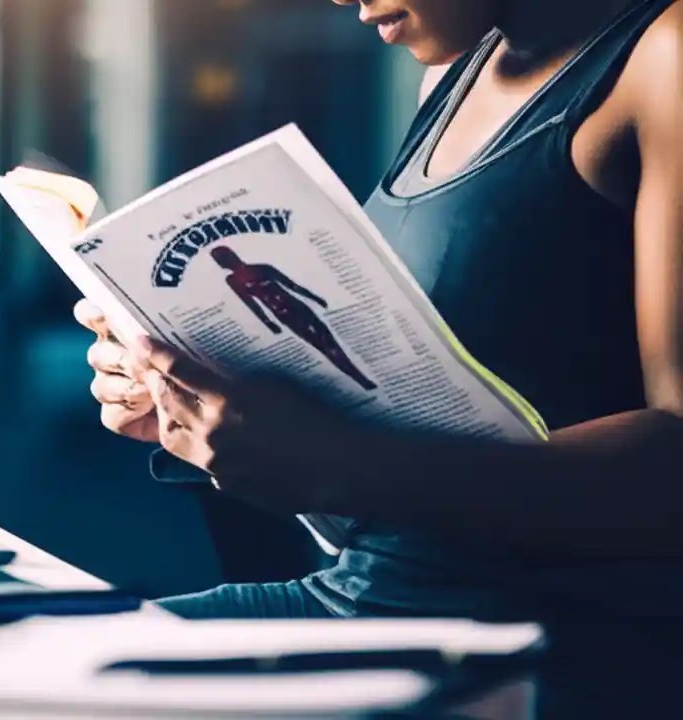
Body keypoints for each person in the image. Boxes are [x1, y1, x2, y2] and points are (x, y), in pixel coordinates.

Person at [78, 0, 683, 620]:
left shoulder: (666, 56)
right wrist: (195, 398)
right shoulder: (452, 76)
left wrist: (341, 463)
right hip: (368, 590)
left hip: (533, 627)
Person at [211, 246, 377, 391]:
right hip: (285, 314)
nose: (222, 263)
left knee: (328, 341)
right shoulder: (233, 280)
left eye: (222, 258)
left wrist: (314, 297)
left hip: (295, 307)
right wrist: (268, 323)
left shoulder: (262, 268)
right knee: (322, 345)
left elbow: (291, 286)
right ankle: (360, 380)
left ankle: (360, 378)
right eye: (219, 260)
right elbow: (250, 303)